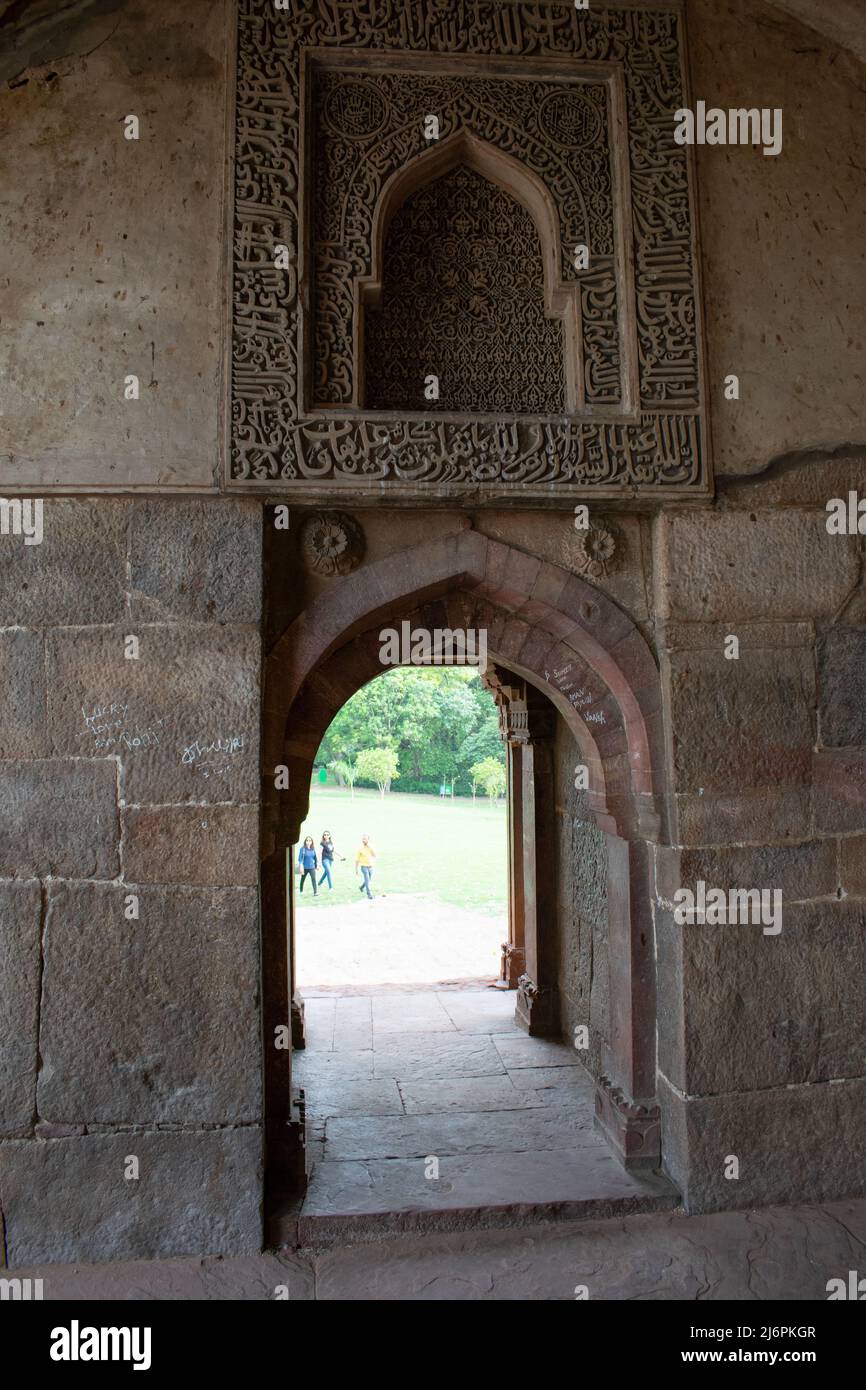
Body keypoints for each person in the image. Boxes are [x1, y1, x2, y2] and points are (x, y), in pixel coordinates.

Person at [355, 834, 376, 899]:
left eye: (365, 839)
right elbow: (357, 860)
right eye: (363, 839)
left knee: (368, 880)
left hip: (370, 867)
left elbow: (374, 855)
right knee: (367, 880)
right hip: (364, 867)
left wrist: (370, 847)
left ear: (368, 840)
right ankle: (369, 894)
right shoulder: (360, 849)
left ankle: (361, 887)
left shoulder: (371, 847)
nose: (364, 840)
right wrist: (356, 870)